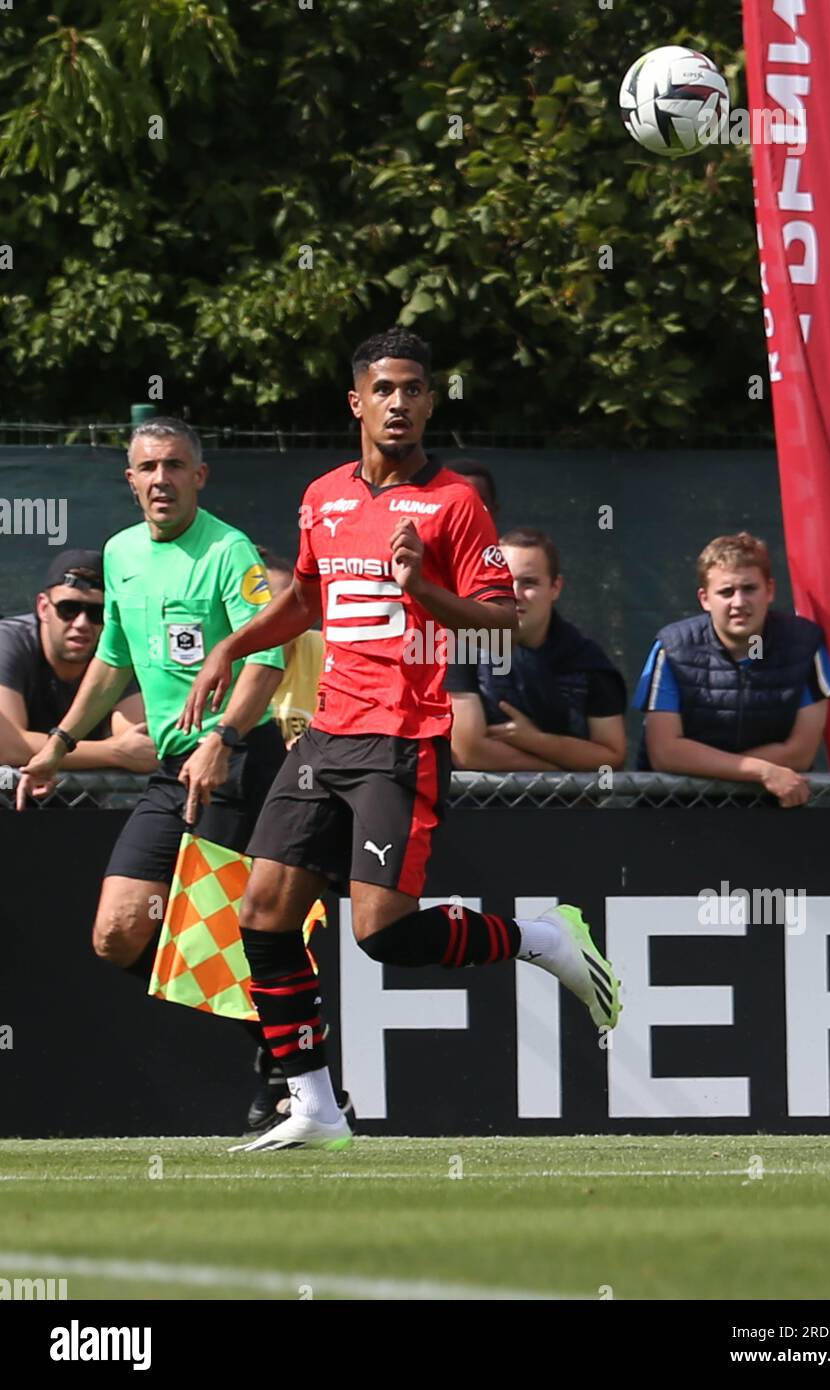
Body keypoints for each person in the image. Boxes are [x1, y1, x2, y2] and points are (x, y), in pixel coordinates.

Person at [180, 328, 623, 1153]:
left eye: (414, 389)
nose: (399, 402)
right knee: (263, 915)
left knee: (381, 934)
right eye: (383, 388)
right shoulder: (323, 497)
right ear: (356, 401)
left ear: (428, 401)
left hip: (403, 737)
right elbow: (307, 602)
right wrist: (233, 645)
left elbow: (502, 620)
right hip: (327, 733)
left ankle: (545, 940)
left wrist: (421, 586)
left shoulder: (454, 503)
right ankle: (315, 1107)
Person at [16, 418, 291, 1128]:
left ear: (200, 475)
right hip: (173, 771)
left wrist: (222, 738)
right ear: (130, 480)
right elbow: (113, 662)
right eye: (148, 467)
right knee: (118, 933)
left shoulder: (229, 552)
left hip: (234, 762)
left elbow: (265, 661)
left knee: (222, 934)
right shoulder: (120, 553)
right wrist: (60, 741)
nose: (161, 478)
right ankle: (279, 1047)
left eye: (175, 465)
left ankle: (294, 1074)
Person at [634, 532, 830, 808]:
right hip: (676, 816)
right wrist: (761, 771)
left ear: (769, 590)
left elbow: (800, 752)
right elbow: (665, 751)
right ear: (704, 598)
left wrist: (715, 768)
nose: (739, 602)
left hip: (770, 816)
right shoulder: (671, 648)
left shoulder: (805, 645)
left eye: (749, 588)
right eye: (726, 592)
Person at [447, 527, 627, 772]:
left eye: (529, 583)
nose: (515, 594)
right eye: (504, 581)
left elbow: (611, 757)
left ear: (556, 587)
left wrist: (534, 740)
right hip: (478, 809)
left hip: (566, 811)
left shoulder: (589, 660)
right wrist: (564, 777)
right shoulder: (463, 646)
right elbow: (467, 752)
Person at [0, 550, 155, 773]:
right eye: (69, 609)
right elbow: (9, 747)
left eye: (96, 613)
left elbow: (140, 745)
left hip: (89, 800)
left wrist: (48, 754)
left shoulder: (118, 651)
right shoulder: (9, 642)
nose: (82, 623)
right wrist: (114, 752)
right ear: (43, 608)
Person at [257, 550, 325, 748]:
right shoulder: (216, 661)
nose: (277, 615)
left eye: (289, 604)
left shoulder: (326, 650)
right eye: (265, 605)